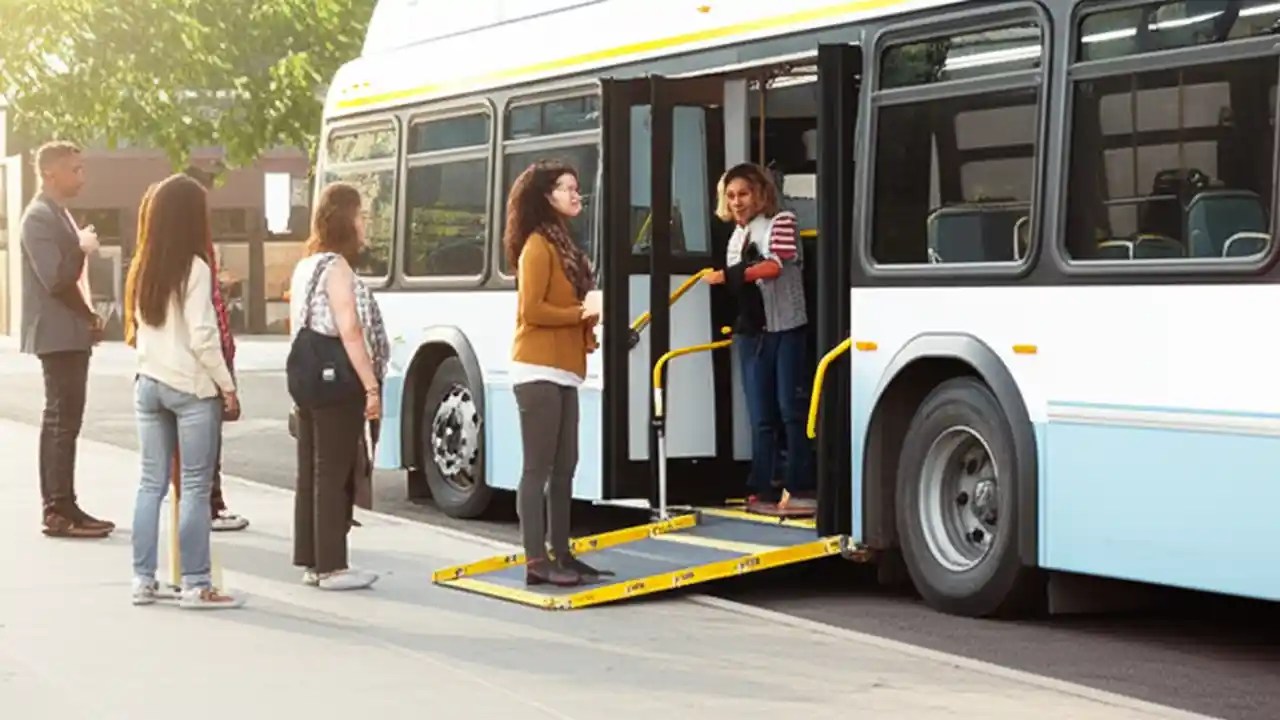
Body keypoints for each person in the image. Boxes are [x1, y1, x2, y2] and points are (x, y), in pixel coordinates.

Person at [128, 173, 243, 609]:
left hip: (148, 384)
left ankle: (143, 580)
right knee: (194, 487)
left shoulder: (142, 264)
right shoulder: (195, 268)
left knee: (149, 485)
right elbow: (202, 336)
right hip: (190, 387)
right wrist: (226, 387)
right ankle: (196, 584)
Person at [505, 160, 610, 587]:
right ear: (546, 197)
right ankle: (536, 561)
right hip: (537, 369)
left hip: (565, 369)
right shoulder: (537, 245)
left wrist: (587, 317)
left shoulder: (563, 244)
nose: (575, 194)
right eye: (567, 188)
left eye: (576, 186)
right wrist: (580, 312)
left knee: (566, 464)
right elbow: (532, 311)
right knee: (538, 468)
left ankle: (561, 553)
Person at [287, 182, 388, 591]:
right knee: (335, 470)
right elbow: (349, 329)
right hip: (336, 379)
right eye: (361, 215)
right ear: (346, 219)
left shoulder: (305, 265)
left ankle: (312, 559)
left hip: (306, 378)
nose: (365, 223)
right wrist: (371, 387)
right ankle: (333, 566)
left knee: (310, 470)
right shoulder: (338, 268)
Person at [703, 163, 815, 515]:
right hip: (752, 333)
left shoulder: (781, 222)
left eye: (744, 194)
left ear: (761, 194)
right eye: (731, 195)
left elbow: (775, 266)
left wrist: (729, 276)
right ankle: (763, 489)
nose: (737, 202)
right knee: (760, 416)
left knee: (790, 410)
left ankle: (800, 486)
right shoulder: (736, 235)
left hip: (786, 329)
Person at [19, 141, 114, 539]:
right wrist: (80, 248)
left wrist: (89, 317)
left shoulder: (59, 214)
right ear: (50, 173)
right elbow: (55, 278)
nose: (81, 176)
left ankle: (64, 503)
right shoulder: (39, 217)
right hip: (55, 333)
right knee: (61, 419)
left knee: (66, 420)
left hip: (69, 330)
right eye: (74, 169)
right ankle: (57, 508)